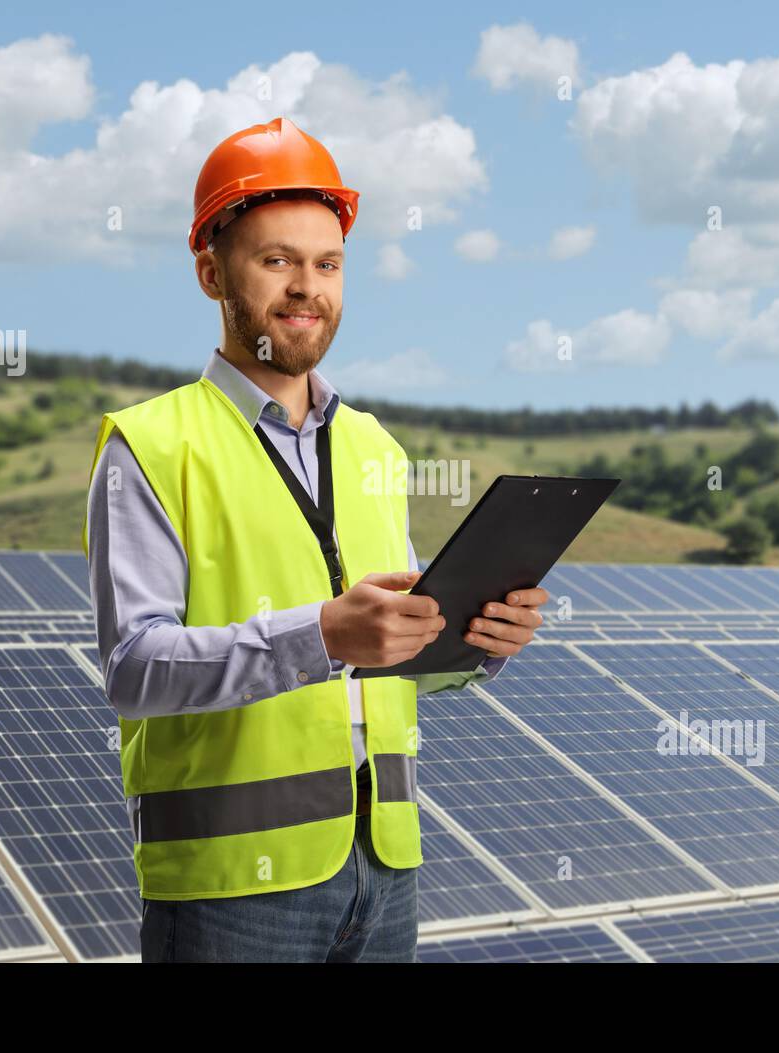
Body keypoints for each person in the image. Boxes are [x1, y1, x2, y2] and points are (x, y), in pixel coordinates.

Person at [82, 116, 546, 962]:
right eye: (277, 260)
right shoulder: (151, 446)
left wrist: (477, 646)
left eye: (327, 264)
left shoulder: (375, 447)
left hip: (387, 871)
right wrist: (322, 635)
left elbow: (391, 662)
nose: (308, 286)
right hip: (230, 891)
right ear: (209, 271)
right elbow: (134, 671)